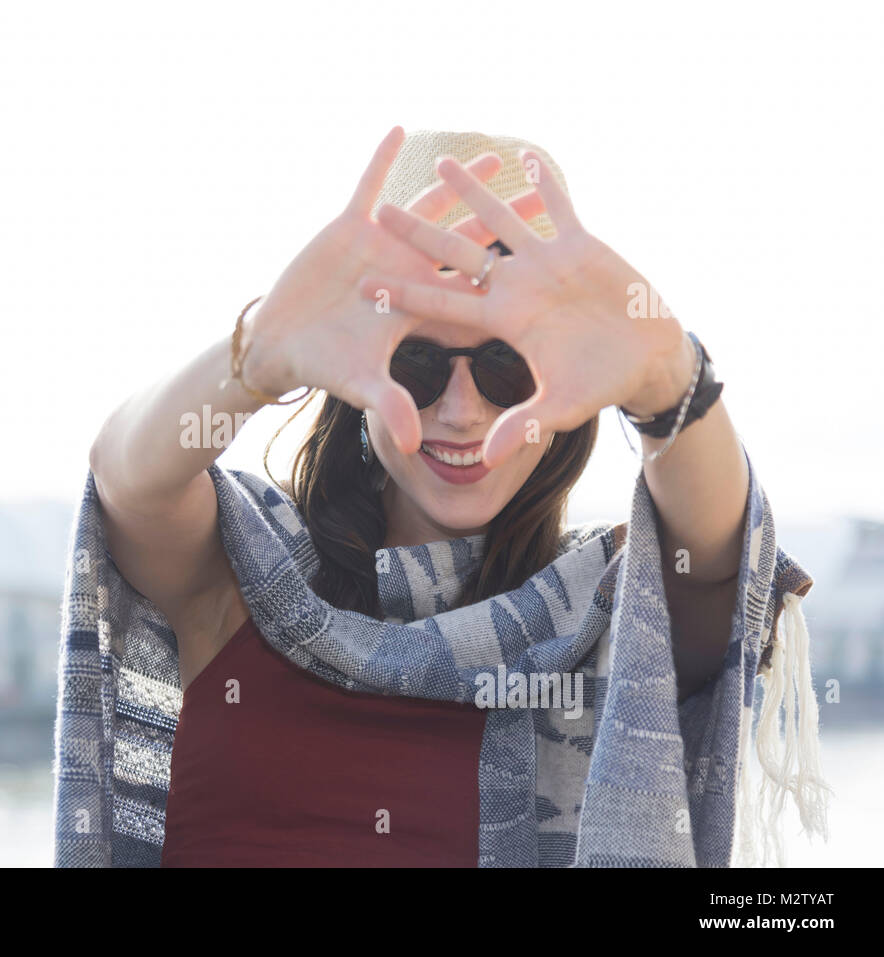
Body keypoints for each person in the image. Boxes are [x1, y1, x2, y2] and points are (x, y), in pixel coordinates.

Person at [53, 127, 828, 868]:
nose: (461, 411)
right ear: (352, 371)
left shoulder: (601, 614)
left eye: (505, 366)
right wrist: (253, 359)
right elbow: (127, 479)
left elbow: (723, 562)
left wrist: (668, 377)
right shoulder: (246, 571)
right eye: (416, 361)